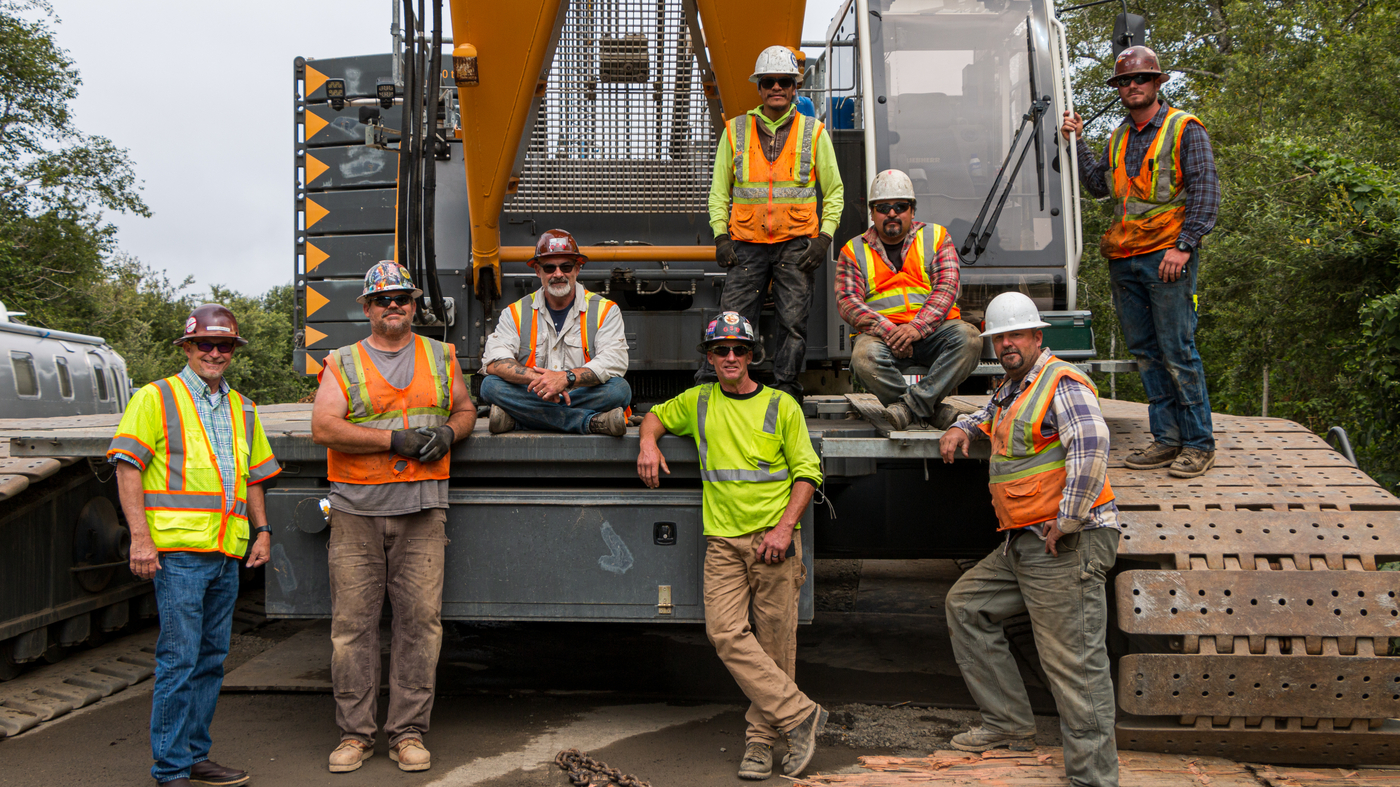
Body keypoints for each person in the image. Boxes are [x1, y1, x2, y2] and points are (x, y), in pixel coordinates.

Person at [938, 292, 1120, 787]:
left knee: (1074, 665)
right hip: (1026, 543)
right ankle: (1008, 723)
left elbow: (1092, 446)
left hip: (1065, 542)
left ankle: (1093, 779)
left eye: (1017, 335)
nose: (1008, 344)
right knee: (967, 607)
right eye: (1000, 338)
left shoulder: (1061, 382)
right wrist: (961, 427)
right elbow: (989, 416)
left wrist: (1069, 519)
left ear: (1038, 337)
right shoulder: (1013, 387)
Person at [638, 311, 827, 781]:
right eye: (720, 349)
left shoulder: (782, 406)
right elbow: (655, 417)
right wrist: (647, 443)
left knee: (775, 646)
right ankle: (801, 714)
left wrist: (784, 531)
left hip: (773, 541)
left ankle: (760, 745)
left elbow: (808, 473)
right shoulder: (699, 401)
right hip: (724, 542)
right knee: (725, 633)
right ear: (709, 356)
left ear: (751, 356)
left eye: (738, 349)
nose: (729, 357)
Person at [310, 261, 477, 774]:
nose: (393, 306)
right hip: (357, 510)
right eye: (382, 299)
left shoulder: (440, 355)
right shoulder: (343, 361)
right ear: (366, 308)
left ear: (413, 305)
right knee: (353, 629)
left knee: (419, 626)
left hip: (423, 511)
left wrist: (451, 433)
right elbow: (323, 427)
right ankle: (355, 736)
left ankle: (407, 733)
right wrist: (392, 440)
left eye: (401, 298)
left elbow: (465, 410)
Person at [107, 304, 281, 787]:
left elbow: (254, 479)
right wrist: (140, 539)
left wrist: (262, 531)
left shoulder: (242, 406)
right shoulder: (155, 397)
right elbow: (128, 469)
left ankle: (194, 756)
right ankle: (170, 769)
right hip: (179, 555)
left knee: (209, 660)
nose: (214, 352)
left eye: (223, 345)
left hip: (226, 552)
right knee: (180, 661)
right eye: (204, 344)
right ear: (187, 347)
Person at [1060, 45, 1219, 479]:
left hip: (1167, 257)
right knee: (1147, 354)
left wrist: (1184, 246)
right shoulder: (1120, 137)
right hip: (1125, 259)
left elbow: (1206, 194)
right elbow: (1097, 185)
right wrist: (1077, 142)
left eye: (1140, 79)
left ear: (1157, 83)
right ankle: (1167, 440)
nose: (1132, 86)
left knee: (1178, 351)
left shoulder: (1185, 129)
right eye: (1125, 81)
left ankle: (1199, 444)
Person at [701, 45, 846, 399]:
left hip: (797, 244)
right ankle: (715, 391)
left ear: (795, 87)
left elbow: (835, 191)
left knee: (793, 323)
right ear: (760, 87)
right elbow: (720, 192)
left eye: (784, 81)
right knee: (731, 321)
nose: (777, 88)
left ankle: (785, 391)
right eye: (770, 81)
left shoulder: (814, 132)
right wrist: (721, 236)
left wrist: (824, 239)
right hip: (746, 245)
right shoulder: (735, 131)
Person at [836, 169, 982, 430]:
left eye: (900, 206)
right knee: (863, 357)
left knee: (970, 339)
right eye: (883, 207)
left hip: (933, 333)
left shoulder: (937, 237)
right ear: (872, 213)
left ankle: (909, 408)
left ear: (912, 210)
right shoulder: (852, 250)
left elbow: (947, 287)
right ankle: (931, 411)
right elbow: (847, 301)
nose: (892, 213)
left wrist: (916, 328)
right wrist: (889, 330)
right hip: (883, 337)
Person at [480, 229, 631, 436]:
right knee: (490, 386)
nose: (558, 274)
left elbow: (614, 361)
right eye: (550, 267)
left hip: (578, 393)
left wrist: (565, 378)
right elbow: (495, 361)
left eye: (566, 266)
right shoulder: (515, 312)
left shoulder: (606, 310)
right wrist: (545, 382)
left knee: (618, 390)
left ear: (577, 269)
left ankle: (520, 421)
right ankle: (590, 423)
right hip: (537, 393)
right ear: (537, 271)